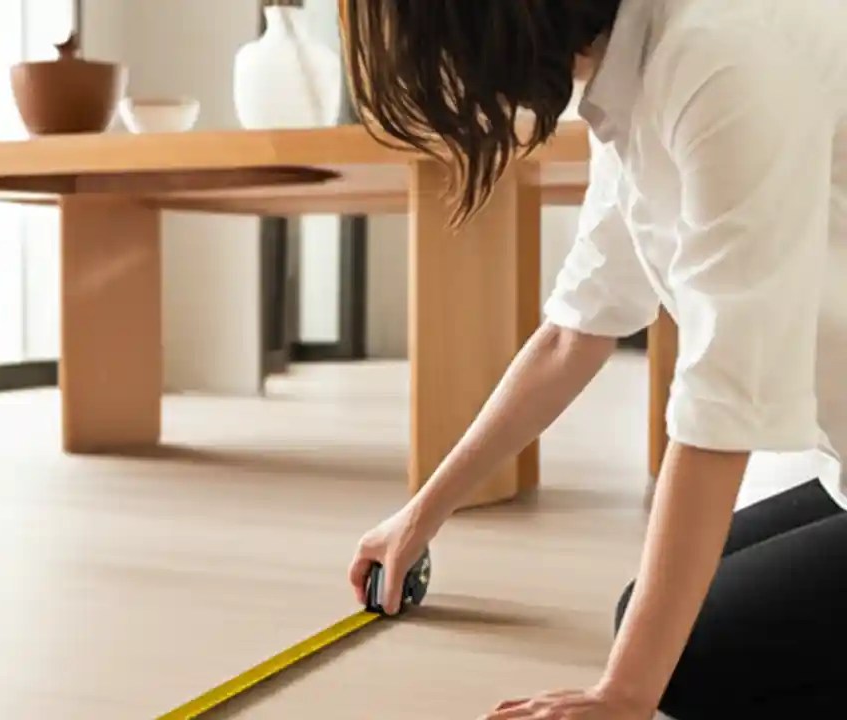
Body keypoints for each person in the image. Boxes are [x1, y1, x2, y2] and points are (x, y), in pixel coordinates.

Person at [339, 0, 847, 718]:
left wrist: (624, 696)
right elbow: (574, 331)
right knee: (652, 614)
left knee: (693, 661)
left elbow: (722, 405)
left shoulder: (721, 54)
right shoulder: (637, 68)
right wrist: (423, 513)